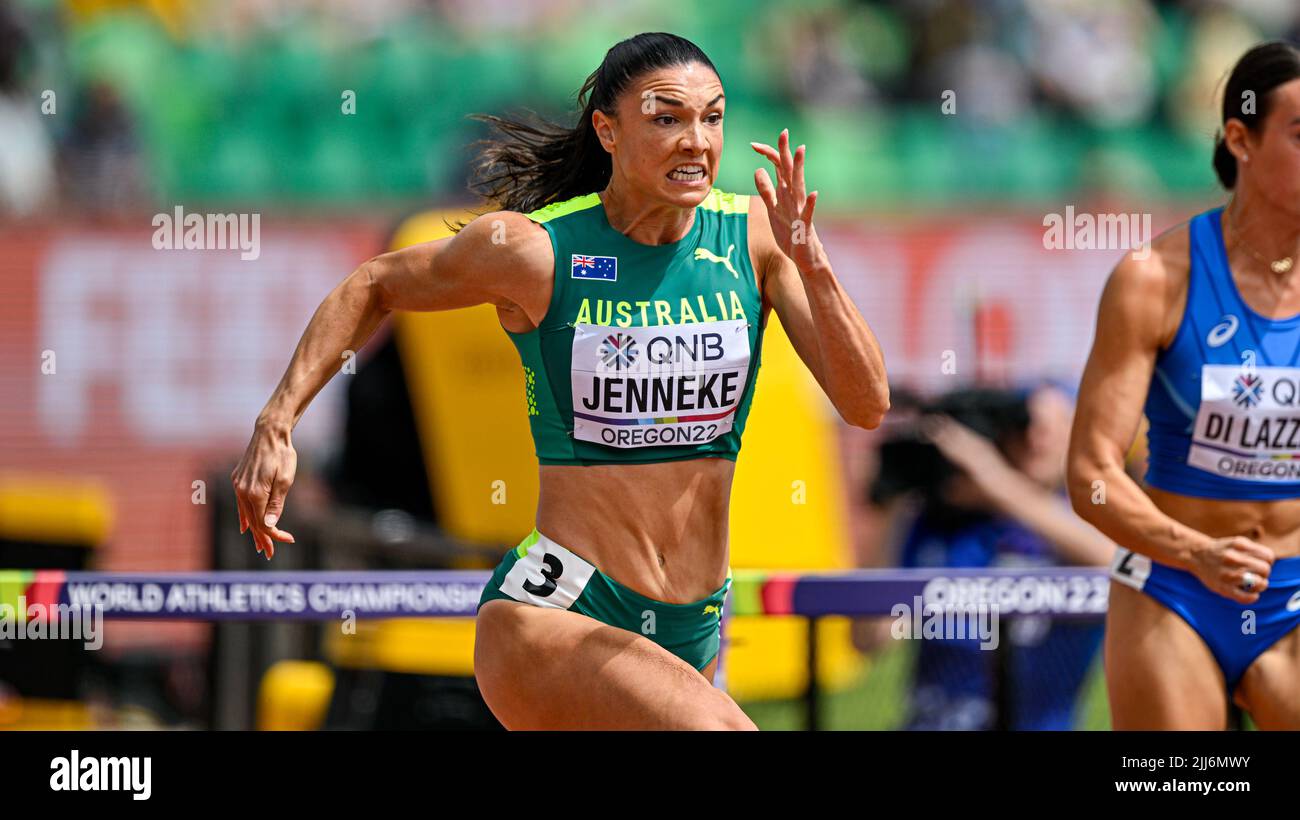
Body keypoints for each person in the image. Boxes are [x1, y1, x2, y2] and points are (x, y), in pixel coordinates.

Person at [230, 32, 888, 730]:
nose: (696, 140)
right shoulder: (537, 250)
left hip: (689, 624)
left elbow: (867, 404)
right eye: (667, 118)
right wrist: (277, 423)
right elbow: (373, 285)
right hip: (556, 613)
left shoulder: (753, 239)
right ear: (607, 130)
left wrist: (811, 263)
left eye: (713, 117)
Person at [1068, 41, 1300, 730]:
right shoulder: (1155, 278)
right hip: (1176, 589)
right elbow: (1090, 474)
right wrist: (1196, 551)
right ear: (1241, 139)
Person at [856, 385, 1112, 730]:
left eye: (1055, 426)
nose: (1038, 439)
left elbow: (1115, 562)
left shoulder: (1081, 522)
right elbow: (870, 639)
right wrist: (890, 507)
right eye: (1028, 426)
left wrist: (993, 477)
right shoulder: (938, 527)